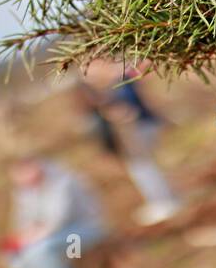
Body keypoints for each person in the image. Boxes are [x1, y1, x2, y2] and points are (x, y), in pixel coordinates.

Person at [77, 59, 183, 226]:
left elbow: (128, 110)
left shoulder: (121, 81)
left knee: (143, 168)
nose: (89, 77)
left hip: (138, 131)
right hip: (134, 133)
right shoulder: (110, 84)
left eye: (89, 71)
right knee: (143, 168)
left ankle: (165, 202)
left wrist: (117, 113)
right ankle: (166, 198)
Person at [2, 157, 107, 268]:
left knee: (39, 250)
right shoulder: (25, 192)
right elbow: (22, 221)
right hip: (53, 237)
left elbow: (59, 218)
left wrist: (35, 236)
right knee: (13, 259)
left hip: (82, 232)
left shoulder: (63, 181)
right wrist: (23, 237)